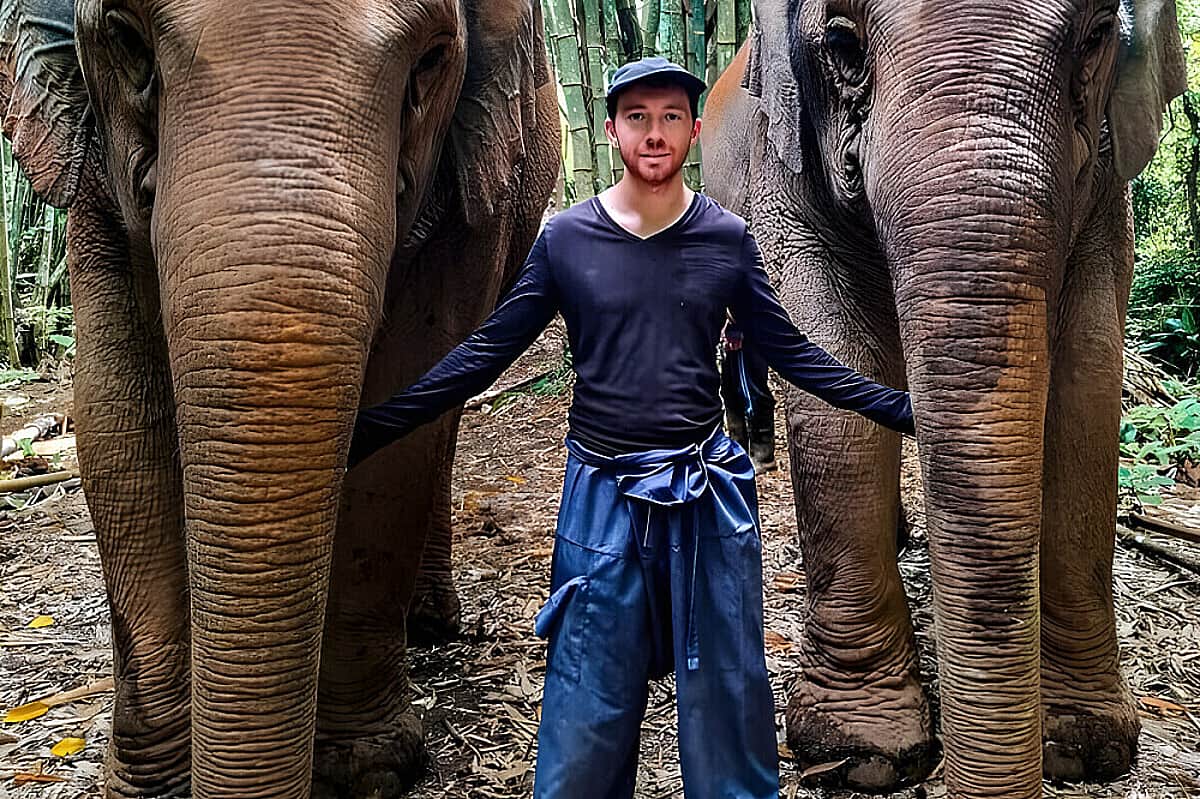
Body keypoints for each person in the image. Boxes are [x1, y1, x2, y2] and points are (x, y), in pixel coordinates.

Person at [348, 56, 914, 799]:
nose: (656, 133)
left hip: (708, 495)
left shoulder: (726, 239)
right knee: (586, 704)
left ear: (694, 128)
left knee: (729, 706)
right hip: (601, 498)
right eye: (639, 117)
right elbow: (484, 353)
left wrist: (911, 412)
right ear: (612, 128)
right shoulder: (568, 240)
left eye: (672, 116)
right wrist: (364, 430)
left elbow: (797, 357)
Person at [720, 317, 778, 472]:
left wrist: (736, 328)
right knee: (729, 390)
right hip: (727, 334)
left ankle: (763, 456)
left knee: (752, 391)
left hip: (750, 334)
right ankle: (738, 449)